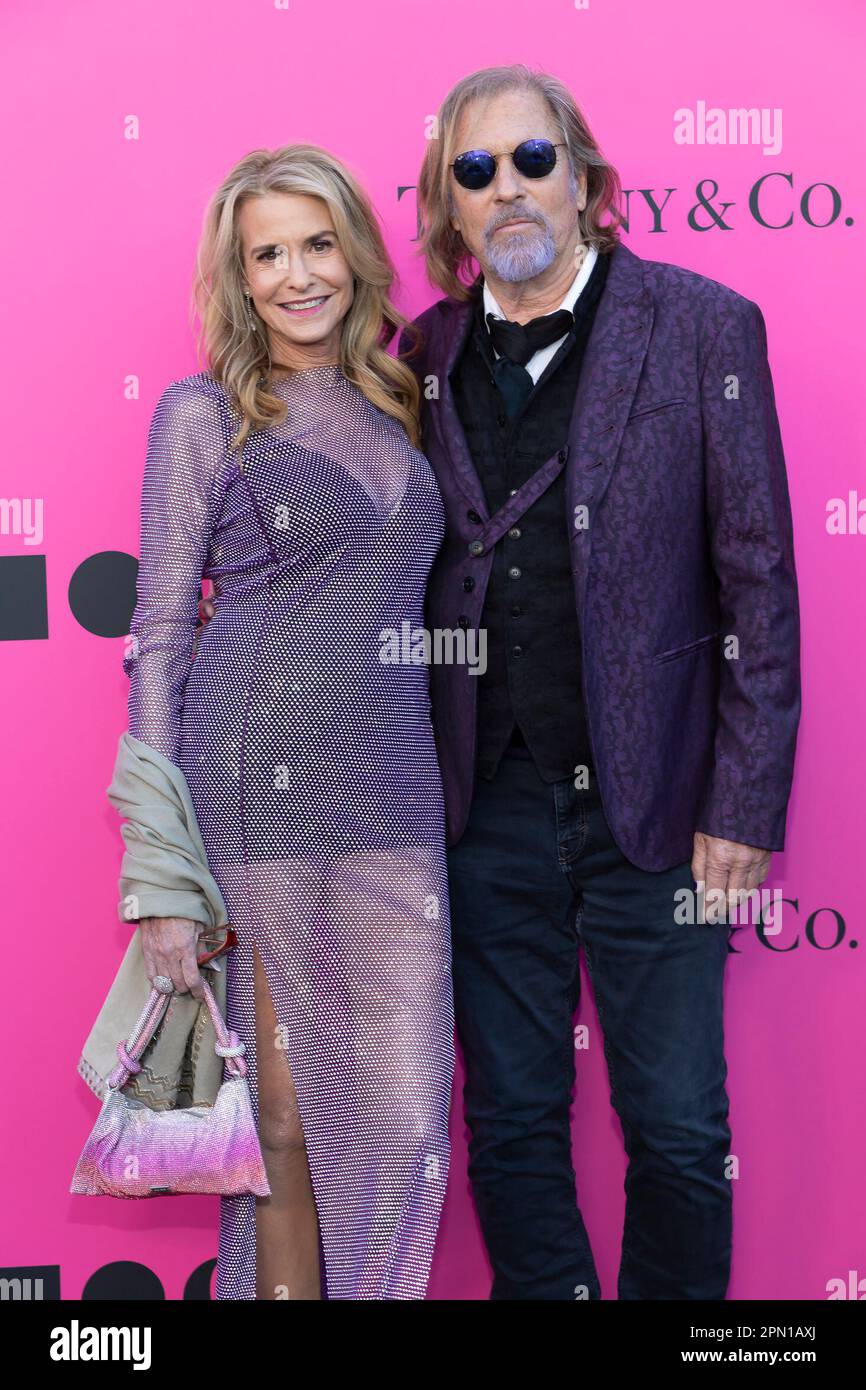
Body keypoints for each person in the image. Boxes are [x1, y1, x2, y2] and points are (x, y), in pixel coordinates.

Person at [396, 64, 801, 1299]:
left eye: (531, 161)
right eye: (474, 172)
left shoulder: (701, 327)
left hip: (662, 806)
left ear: (585, 181)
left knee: (676, 1130)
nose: (506, 189)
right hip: (486, 810)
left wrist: (740, 804)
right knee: (512, 1125)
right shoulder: (419, 355)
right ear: (447, 207)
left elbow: (760, 582)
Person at [123, 144, 454, 1300]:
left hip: (393, 793)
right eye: (269, 253)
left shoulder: (404, 397)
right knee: (286, 1125)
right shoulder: (205, 414)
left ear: (355, 256)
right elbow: (160, 634)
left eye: (317, 244)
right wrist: (160, 869)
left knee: (409, 1121)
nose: (298, 274)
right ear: (241, 276)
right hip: (252, 792)